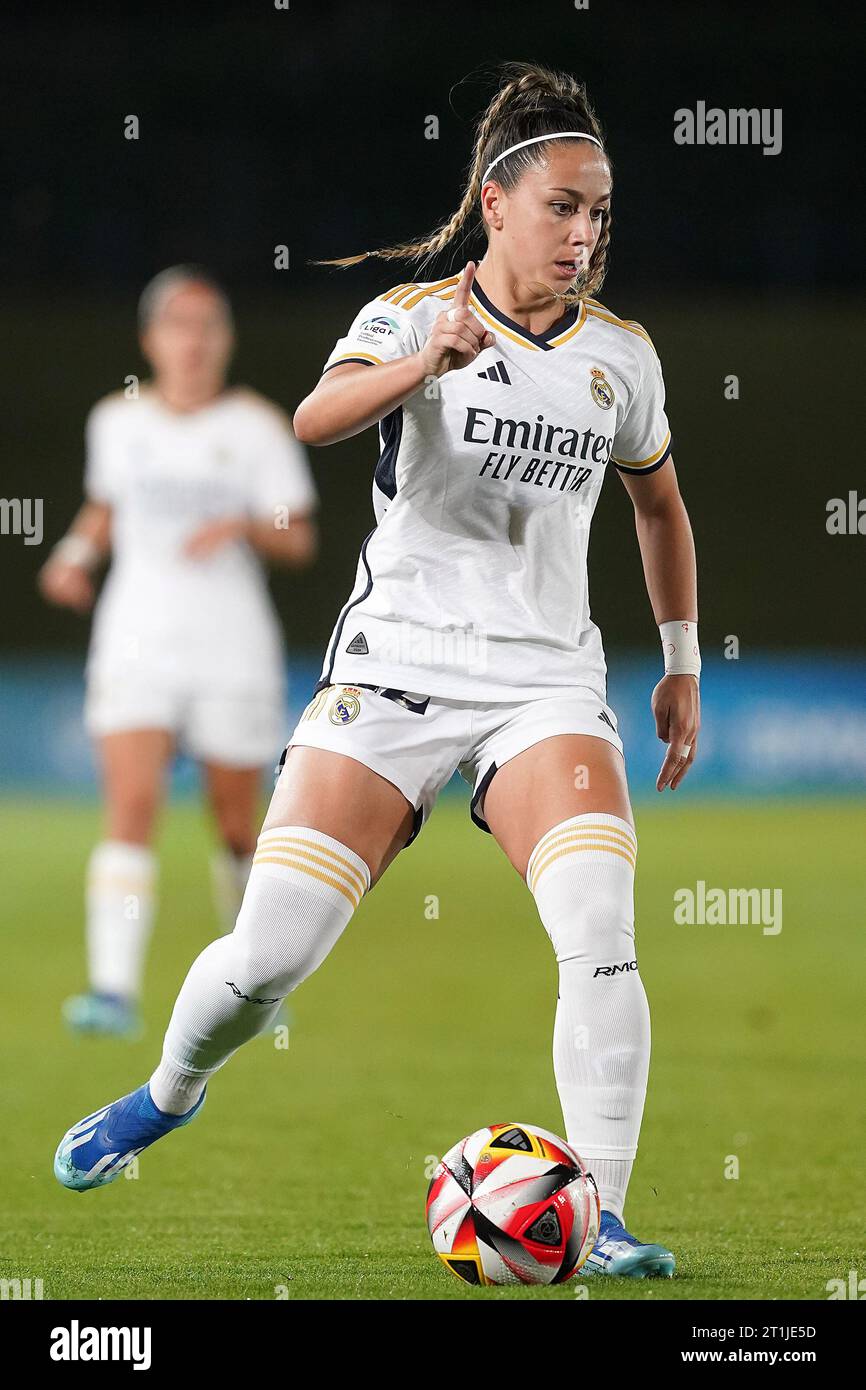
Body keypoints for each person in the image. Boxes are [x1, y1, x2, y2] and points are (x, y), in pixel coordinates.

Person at [53, 65, 700, 1281]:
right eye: (563, 206)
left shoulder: (621, 358)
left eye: (601, 211)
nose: (586, 233)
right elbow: (314, 417)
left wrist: (676, 661)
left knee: (598, 929)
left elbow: (657, 505)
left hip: (544, 684)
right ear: (495, 201)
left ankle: (601, 1209)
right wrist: (427, 364)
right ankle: (167, 1090)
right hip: (395, 668)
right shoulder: (416, 313)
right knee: (265, 956)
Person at [38, 266, 318, 1037]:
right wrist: (70, 554)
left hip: (231, 647)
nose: (193, 342)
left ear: (225, 339)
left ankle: (254, 986)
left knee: (235, 824)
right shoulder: (117, 422)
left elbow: (300, 537)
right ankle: (112, 992)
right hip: (137, 639)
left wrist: (246, 525)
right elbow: (104, 508)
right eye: (178, 326)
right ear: (150, 339)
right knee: (130, 808)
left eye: (208, 326)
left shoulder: (258, 427)